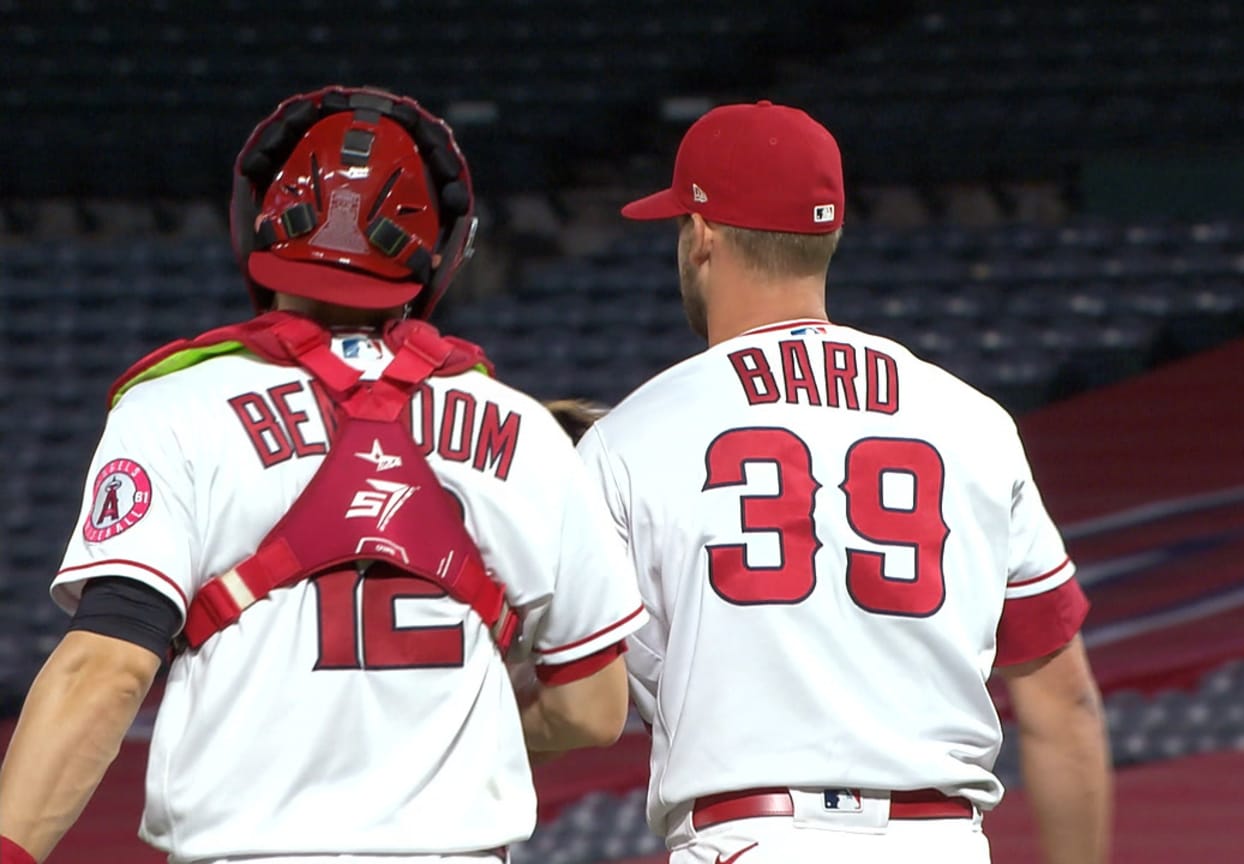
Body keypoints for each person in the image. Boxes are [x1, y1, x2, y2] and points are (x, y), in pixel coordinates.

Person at [0, 85, 645, 864]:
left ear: (259, 224)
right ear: (439, 252)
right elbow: (591, 710)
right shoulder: (524, 429)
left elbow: (105, 669)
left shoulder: (175, 407)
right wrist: (439, 738)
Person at [576, 100, 1111, 864]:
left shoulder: (632, 435)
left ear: (701, 235)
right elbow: (1067, 706)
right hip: (941, 843)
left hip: (751, 835)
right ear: (826, 235)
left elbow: (582, 698)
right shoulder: (974, 422)